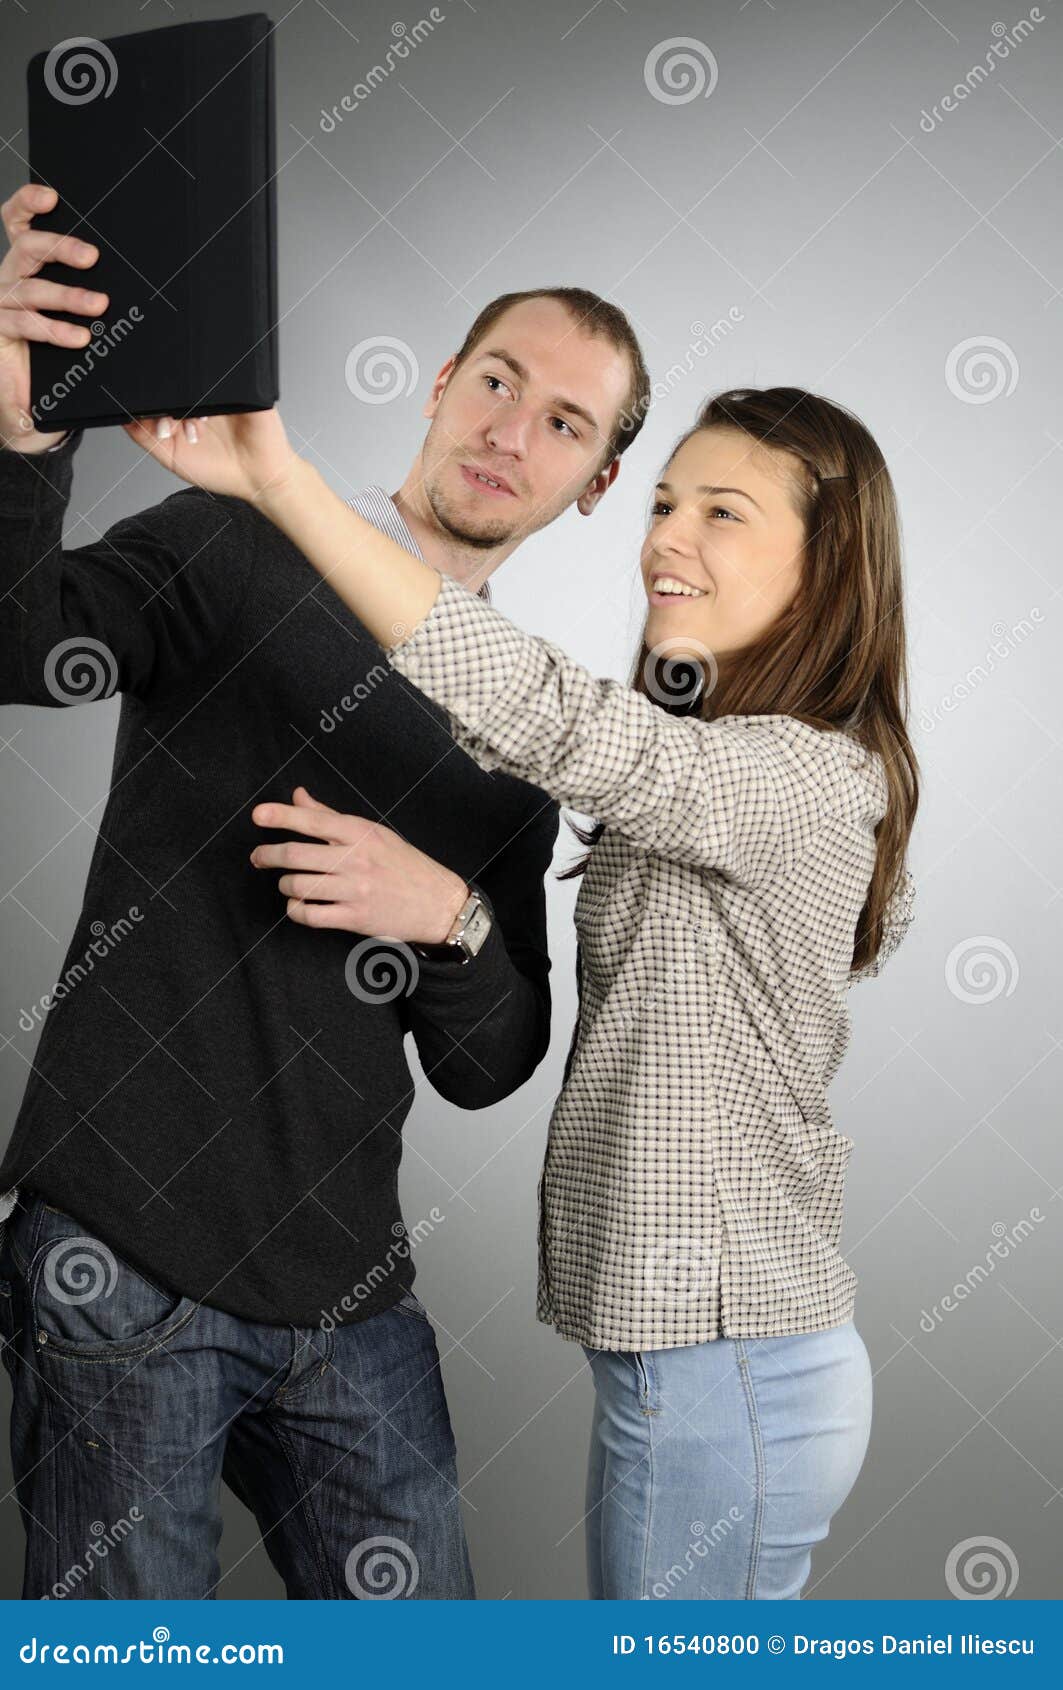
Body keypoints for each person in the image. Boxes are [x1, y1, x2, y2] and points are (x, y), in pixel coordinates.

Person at [131, 382, 919, 1601]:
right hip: (699, 1364)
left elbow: (548, 716)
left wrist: (286, 489)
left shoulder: (801, 776)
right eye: (664, 503)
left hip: (731, 1369)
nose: (667, 538)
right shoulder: (724, 770)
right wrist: (456, 915)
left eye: (722, 512)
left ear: (826, 572)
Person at [0, 178, 652, 1598]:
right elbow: (15, 639)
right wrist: (23, 429)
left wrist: (449, 917)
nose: (509, 432)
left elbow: (489, 1061)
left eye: (564, 422)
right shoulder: (239, 543)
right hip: (121, 1255)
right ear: (440, 383)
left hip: (348, 1298)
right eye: (497, 381)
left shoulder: (524, 727)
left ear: (596, 481)